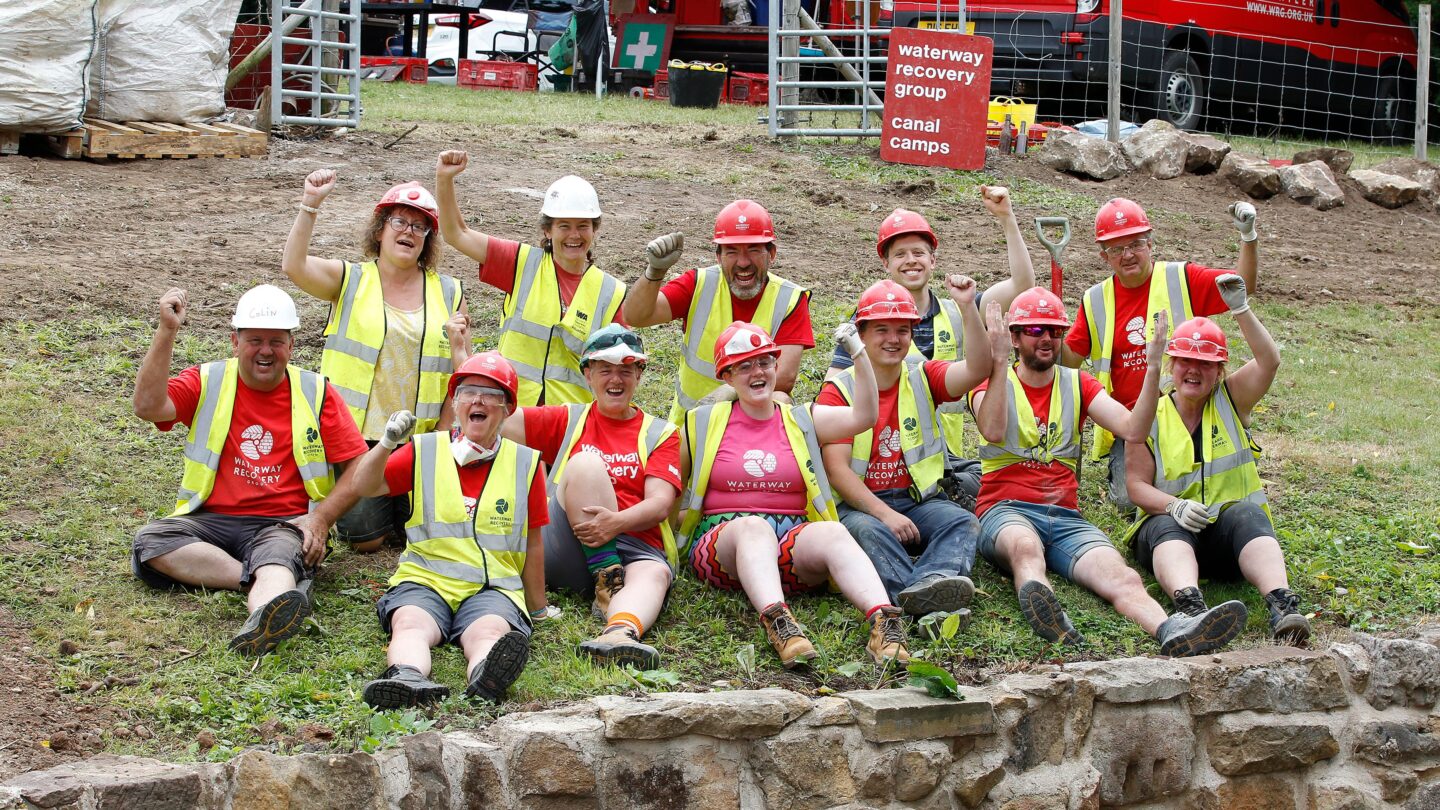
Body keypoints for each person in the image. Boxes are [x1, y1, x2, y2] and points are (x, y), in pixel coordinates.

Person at [971, 287, 1247, 657]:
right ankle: (1046, 607)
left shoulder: (1078, 384)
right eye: (1036, 330)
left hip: (1066, 517)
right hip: (1004, 510)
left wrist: (1152, 369)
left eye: (1054, 331)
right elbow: (990, 429)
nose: (1047, 338)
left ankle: (1172, 629)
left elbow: (1133, 429)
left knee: (1123, 576)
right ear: (1015, 337)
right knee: (1025, 548)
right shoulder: (990, 381)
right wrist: (999, 361)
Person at [130, 285, 399, 656]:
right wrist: (166, 331)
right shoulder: (207, 381)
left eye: (276, 341)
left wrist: (320, 519)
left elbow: (357, 465)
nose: (266, 351)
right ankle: (262, 582)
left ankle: (262, 622)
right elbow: (147, 406)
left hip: (282, 523)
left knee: (277, 559)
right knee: (152, 542)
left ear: (291, 345)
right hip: (210, 520)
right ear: (235, 342)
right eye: (255, 340)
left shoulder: (315, 391)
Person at [678, 321, 908, 668]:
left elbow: (865, 415)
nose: (757, 372)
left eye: (764, 362)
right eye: (744, 366)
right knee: (753, 527)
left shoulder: (802, 418)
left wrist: (857, 352)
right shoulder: (700, 422)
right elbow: (671, 487)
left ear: (775, 365)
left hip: (790, 541)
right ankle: (781, 624)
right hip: (723, 542)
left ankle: (884, 623)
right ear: (727, 376)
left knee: (833, 531)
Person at [282, 170, 465, 553]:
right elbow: (294, 266)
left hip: (420, 439)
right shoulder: (349, 279)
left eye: (420, 226)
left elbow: (458, 374)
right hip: (358, 441)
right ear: (380, 229)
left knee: (424, 531)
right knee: (369, 541)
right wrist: (310, 204)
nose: (409, 232)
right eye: (400, 221)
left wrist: (443, 438)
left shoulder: (449, 292)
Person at [353, 352, 549, 708]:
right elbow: (365, 486)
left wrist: (537, 608)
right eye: (469, 391)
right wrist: (386, 444)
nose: (478, 400)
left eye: (491, 394)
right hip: (425, 579)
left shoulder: (526, 464)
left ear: (507, 409)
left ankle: (486, 677)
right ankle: (408, 676)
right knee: (410, 623)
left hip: (491, 587)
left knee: (489, 631)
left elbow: (533, 542)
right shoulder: (424, 450)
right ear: (455, 403)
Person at [1123, 276, 1308, 644]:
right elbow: (1135, 486)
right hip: (1169, 537)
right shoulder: (1150, 414)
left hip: (1228, 540)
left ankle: (1282, 605)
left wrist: (1240, 309)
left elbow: (1269, 361)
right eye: (1185, 361)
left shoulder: (1232, 400)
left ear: (1219, 371)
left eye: (1205, 363)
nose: (1194, 370)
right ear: (1172, 366)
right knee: (1163, 526)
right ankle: (1192, 608)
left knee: (1248, 514)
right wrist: (1173, 506)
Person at [826, 186, 1036, 507]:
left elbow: (1022, 286)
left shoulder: (960, 310)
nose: (911, 261)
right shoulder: (866, 325)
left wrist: (1007, 218)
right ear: (886, 263)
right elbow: (836, 391)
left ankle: (952, 494)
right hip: (888, 459)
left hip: (941, 457)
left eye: (918, 253)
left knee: (1005, 478)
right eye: (900, 254)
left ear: (933, 260)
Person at [818, 277, 992, 635]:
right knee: (868, 533)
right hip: (860, 505)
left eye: (903, 330)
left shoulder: (924, 376)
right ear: (861, 335)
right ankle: (922, 602)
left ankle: (932, 582)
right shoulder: (838, 391)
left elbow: (977, 369)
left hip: (917, 501)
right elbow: (836, 471)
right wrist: (885, 514)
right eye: (881, 329)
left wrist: (967, 308)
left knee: (961, 521)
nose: (893, 339)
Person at [500, 325, 680, 669]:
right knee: (584, 463)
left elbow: (659, 503)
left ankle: (619, 631)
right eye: (605, 370)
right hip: (569, 543)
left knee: (655, 575)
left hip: (635, 544)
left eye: (627, 370)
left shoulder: (660, 433)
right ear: (588, 375)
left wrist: (615, 523)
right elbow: (499, 419)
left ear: (639, 374)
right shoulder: (568, 418)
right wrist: (465, 361)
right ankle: (606, 576)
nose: (617, 379)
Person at [1062, 197, 1260, 511]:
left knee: (1199, 492)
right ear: (1104, 255)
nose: (1127, 255)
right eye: (1116, 248)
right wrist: (1046, 328)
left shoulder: (1182, 279)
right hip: (1135, 426)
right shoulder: (1096, 301)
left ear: (1151, 243)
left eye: (1136, 244)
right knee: (1132, 504)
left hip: (1189, 415)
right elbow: (1064, 367)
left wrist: (1248, 237)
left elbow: (1242, 287)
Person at [434, 150, 626, 408]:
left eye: (583, 225)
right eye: (564, 226)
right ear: (547, 230)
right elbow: (456, 233)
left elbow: (620, 369)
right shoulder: (520, 263)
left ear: (594, 230)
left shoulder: (612, 292)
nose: (574, 235)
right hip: (513, 414)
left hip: (570, 423)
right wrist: (444, 179)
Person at [623, 200, 816, 423]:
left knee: (780, 399)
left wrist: (731, 391)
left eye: (753, 249)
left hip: (748, 428)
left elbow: (785, 377)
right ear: (718, 256)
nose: (743, 262)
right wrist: (655, 272)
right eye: (732, 251)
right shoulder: (699, 284)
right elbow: (635, 316)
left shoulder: (789, 299)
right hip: (691, 425)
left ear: (771, 254)